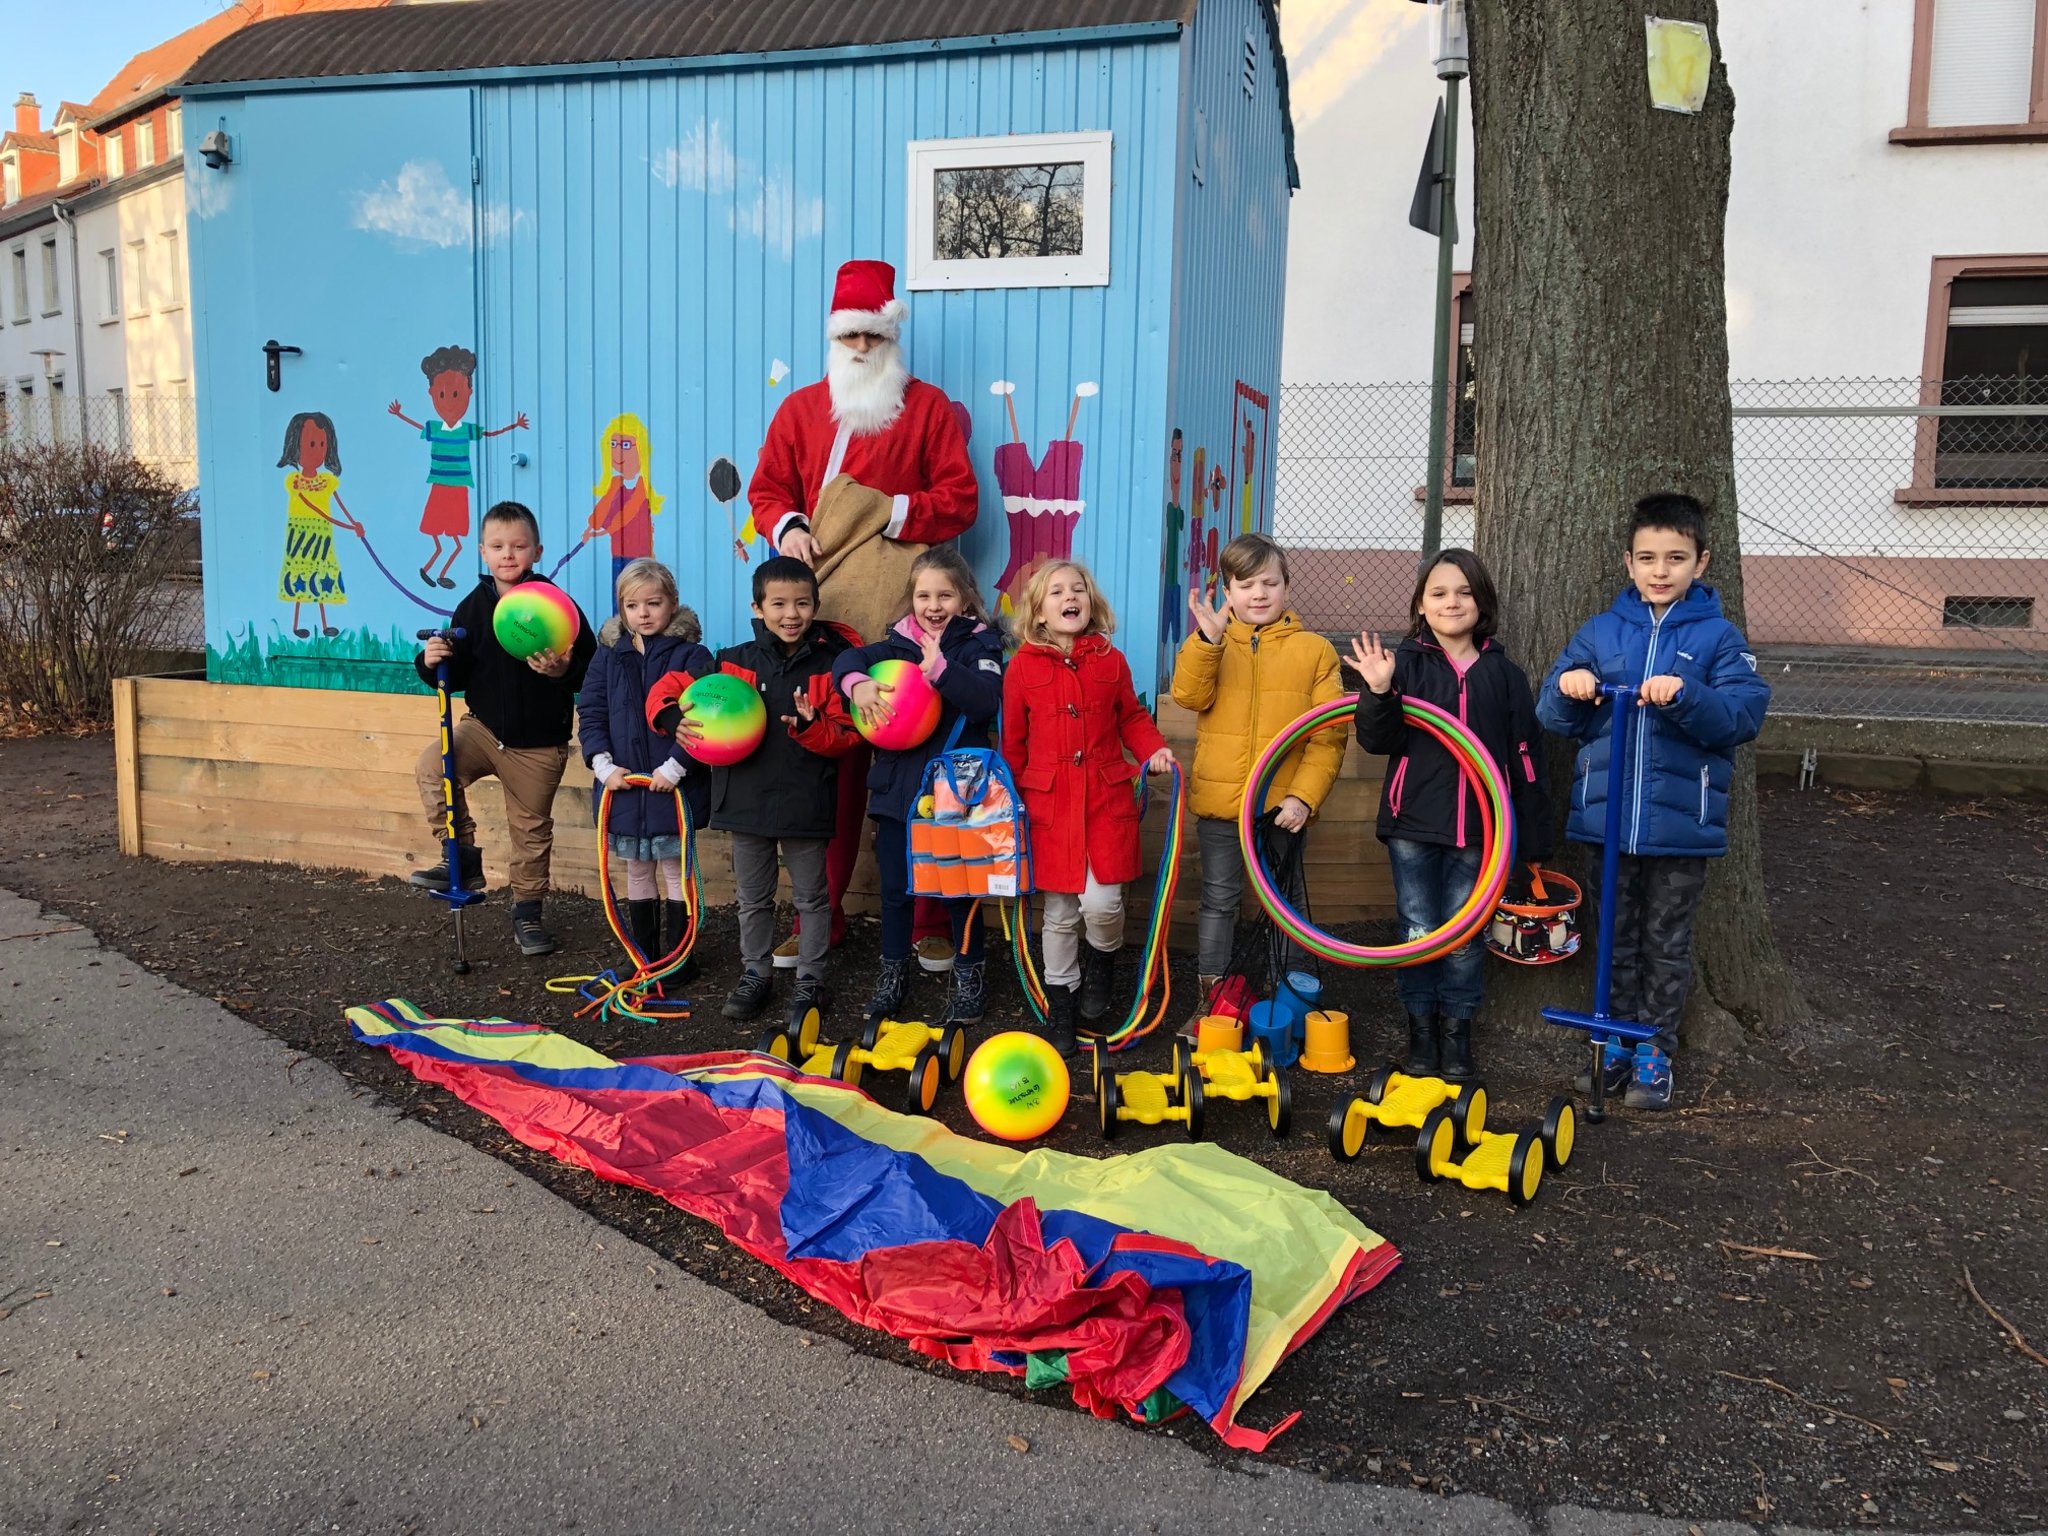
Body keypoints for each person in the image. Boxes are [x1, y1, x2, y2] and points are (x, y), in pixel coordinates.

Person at [749, 258, 978, 976]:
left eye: (871, 337)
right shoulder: (797, 412)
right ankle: (821, 914)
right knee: (831, 769)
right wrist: (787, 528)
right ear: (832, 337)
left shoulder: (931, 408)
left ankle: (933, 921)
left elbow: (961, 500)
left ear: (891, 337)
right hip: (823, 625)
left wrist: (890, 511)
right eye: (848, 336)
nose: (858, 350)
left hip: (910, 629)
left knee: (923, 771)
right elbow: (766, 489)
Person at [1537, 493, 1770, 1110]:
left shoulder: (1719, 637)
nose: (1660, 570)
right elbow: (1552, 714)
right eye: (1647, 558)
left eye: (1675, 557)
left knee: (1666, 939)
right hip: (1605, 821)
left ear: (1702, 561)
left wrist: (1685, 695)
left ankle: (1654, 1049)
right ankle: (1611, 1040)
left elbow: (1743, 716)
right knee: (1612, 935)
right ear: (1628, 562)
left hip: (1678, 828)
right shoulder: (1602, 630)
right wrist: (1570, 686)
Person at [1349, 549, 1552, 1082]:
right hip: (1414, 820)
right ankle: (1420, 1033)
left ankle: (1458, 1036)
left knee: (1464, 935)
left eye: (1463, 591)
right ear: (1420, 604)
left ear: (1482, 601)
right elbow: (1378, 740)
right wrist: (1378, 691)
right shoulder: (1405, 665)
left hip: (1481, 829)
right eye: (1438, 593)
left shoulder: (1503, 674)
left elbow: (1525, 756)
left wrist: (1531, 841)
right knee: (1418, 929)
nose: (1451, 602)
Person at [648, 556, 861, 1029]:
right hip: (744, 802)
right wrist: (669, 718)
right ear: (757, 607)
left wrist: (811, 727)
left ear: (816, 606)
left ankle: (811, 980)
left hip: (807, 803)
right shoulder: (731, 663)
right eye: (779, 604)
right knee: (753, 898)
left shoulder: (832, 668)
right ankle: (755, 974)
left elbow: (847, 737)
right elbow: (670, 686)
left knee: (813, 898)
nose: (791, 614)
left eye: (802, 604)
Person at [1170, 532, 1346, 1028]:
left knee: (1284, 904)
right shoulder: (1210, 642)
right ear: (1228, 591)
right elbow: (1188, 695)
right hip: (1224, 805)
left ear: (1287, 586)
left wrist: (1303, 797)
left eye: (1269, 582)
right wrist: (1206, 641)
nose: (1259, 594)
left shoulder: (1314, 651)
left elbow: (1328, 735)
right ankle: (1212, 1003)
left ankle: (1287, 1004)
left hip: (1281, 809)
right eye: (1245, 584)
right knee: (1219, 898)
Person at [1001, 561, 1175, 1056]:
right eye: (1055, 591)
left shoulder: (1111, 661)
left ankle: (1102, 962)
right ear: (1038, 612)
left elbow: (1134, 718)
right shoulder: (1022, 667)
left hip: (1104, 799)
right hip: (1048, 805)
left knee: (1102, 904)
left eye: (1077, 589)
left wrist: (1153, 750)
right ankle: (1063, 999)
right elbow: (1013, 740)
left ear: (1090, 603)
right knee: (1057, 911)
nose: (1068, 596)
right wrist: (1011, 801)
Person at [409, 500, 595, 958]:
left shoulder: (556, 605)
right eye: (497, 546)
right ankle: (461, 856)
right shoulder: (471, 608)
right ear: (482, 552)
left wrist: (561, 671)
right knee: (433, 766)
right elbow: (455, 674)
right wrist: (429, 661)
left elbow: (589, 667)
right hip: (483, 730)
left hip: (538, 744)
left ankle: (527, 915)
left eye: (518, 546)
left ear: (537, 551)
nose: (507, 554)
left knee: (530, 833)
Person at [832, 548, 1005, 1029]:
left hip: (958, 793)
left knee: (960, 890)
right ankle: (893, 977)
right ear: (911, 600)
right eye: (923, 594)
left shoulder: (980, 646)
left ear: (966, 599)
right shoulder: (896, 644)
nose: (933, 604)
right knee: (895, 889)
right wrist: (855, 684)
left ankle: (969, 979)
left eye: (945, 594)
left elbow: (986, 701)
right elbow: (848, 658)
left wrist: (941, 670)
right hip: (898, 791)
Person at [577, 558, 712, 975]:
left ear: (672, 603)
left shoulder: (693, 656)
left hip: (672, 788)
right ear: (622, 608)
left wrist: (675, 767)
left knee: (675, 869)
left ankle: (679, 957)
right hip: (625, 790)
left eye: (653, 603)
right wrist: (602, 765)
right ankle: (646, 958)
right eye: (633, 606)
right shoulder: (608, 656)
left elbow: (706, 718)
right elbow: (593, 711)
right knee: (637, 869)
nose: (644, 614)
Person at [388, 345, 528, 590]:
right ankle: (431, 569)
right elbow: (415, 425)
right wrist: (399, 415)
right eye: (441, 395)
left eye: (456, 394)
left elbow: (491, 433)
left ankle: (438, 572)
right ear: (431, 393)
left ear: (469, 392)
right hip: (440, 487)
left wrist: (514, 426)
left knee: (457, 542)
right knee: (438, 536)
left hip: (458, 489)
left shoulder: (466, 430)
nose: (450, 402)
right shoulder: (433, 427)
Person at [274, 410, 363, 639]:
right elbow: (315, 508)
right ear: (295, 446)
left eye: (322, 444)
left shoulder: (327, 481)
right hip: (301, 537)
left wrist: (354, 523)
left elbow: (339, 504)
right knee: (300, 577)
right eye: (311, 443)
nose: (318, 450)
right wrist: (346, 526)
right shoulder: (294, 481)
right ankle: (296, 624)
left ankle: (325, 624)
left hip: (322, 539)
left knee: (321, 577)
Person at [585, 414, 665, 601]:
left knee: (640, 600)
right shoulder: (615, 483)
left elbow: (627, 513)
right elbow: (599, 512)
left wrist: (605, 531)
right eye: (613, 445)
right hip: (618, 555)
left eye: (626, 445)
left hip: (640, 558)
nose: (618, 452)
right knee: (619, 600)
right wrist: (592, 526)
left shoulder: (642, 487)